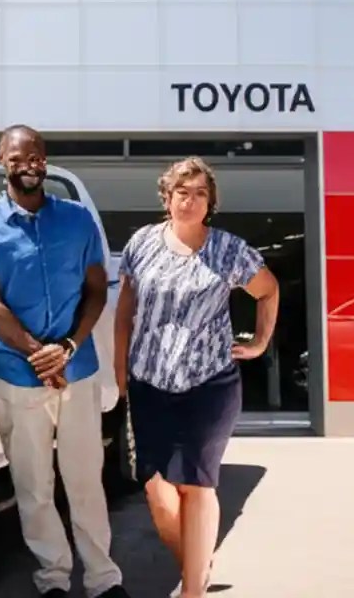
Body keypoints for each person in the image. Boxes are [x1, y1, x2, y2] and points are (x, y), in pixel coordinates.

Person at [0, 125, 128, 598]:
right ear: (2, 160)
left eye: (36, 155)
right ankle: (53, 579)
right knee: (33, 485)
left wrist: (70, 348)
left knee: (84, 480)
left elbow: (96, 290)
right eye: (18, 156)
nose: (29, 163)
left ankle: (103, 579)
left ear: (45, 160)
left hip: (77, 369)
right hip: (19, 375)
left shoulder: (77, 220)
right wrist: (39, 354)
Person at [114, 156, 279, 598]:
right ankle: (198, 561)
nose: (190, 200)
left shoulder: (228, 250)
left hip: (209, 384)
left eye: (200, 193)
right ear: (166, 198)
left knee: (197, 484)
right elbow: (126, 309)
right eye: (182, 192)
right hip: (149, 382)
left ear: (211, 202)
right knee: (158, 492)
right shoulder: (142, 244)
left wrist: (261, 342)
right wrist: (119, 370)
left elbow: (268, 290)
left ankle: (191, 590)